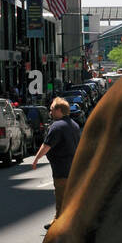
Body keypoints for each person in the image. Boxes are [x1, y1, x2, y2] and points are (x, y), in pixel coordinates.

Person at [31, 97, 81, 229]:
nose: (50, 112)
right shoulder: (74, 125)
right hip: (74, 168)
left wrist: (36, 159)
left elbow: (46, 146)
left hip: (62, 170)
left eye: (52, 109)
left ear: (59, 110)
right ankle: (61, 221)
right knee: (70, 197)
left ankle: (60, 225)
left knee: (61, 197)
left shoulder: (57, 127)